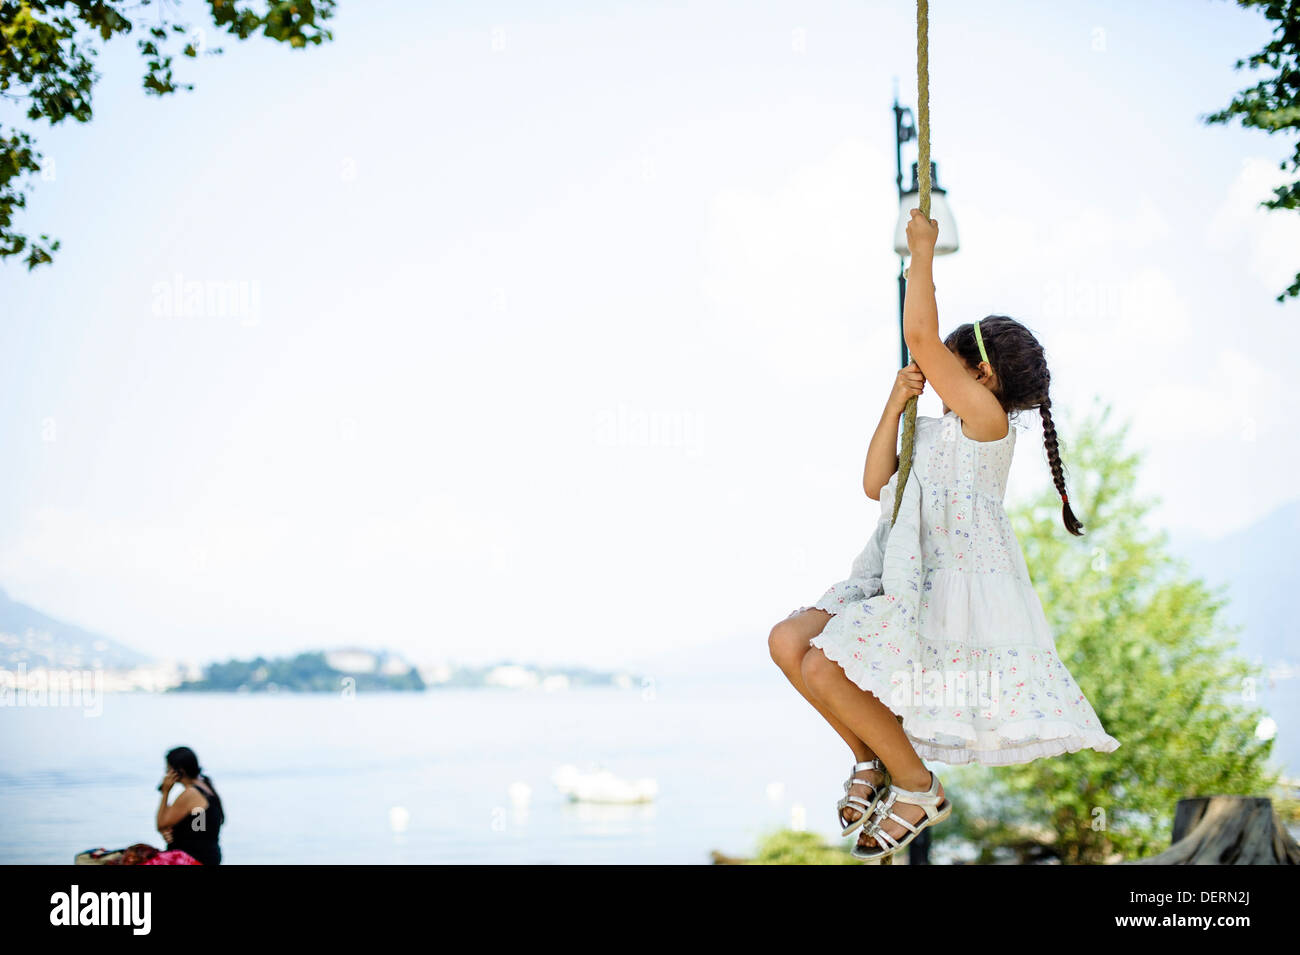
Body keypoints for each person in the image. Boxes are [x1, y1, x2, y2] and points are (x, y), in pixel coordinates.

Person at [768, 208, 1120, 862]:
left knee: (825, 664)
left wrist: (921, 251)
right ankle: (870, 759)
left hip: (938, 596)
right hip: (892, 573)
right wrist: (894, 404)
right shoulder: (930, 431)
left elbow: (920, 336)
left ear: (980, 375)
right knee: (788, 642)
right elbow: (875, 483)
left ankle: (918, 785)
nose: (934, 373)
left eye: (947, 367)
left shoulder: (988, 425)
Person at [156, 746, 225, 865]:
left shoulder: (191, 793)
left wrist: (165, 792)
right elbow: (198, 826)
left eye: (168, 769)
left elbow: (161, 823)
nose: (166, 773)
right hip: (209, 856)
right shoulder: (206, 787)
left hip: (191, 858)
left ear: (179, 771)